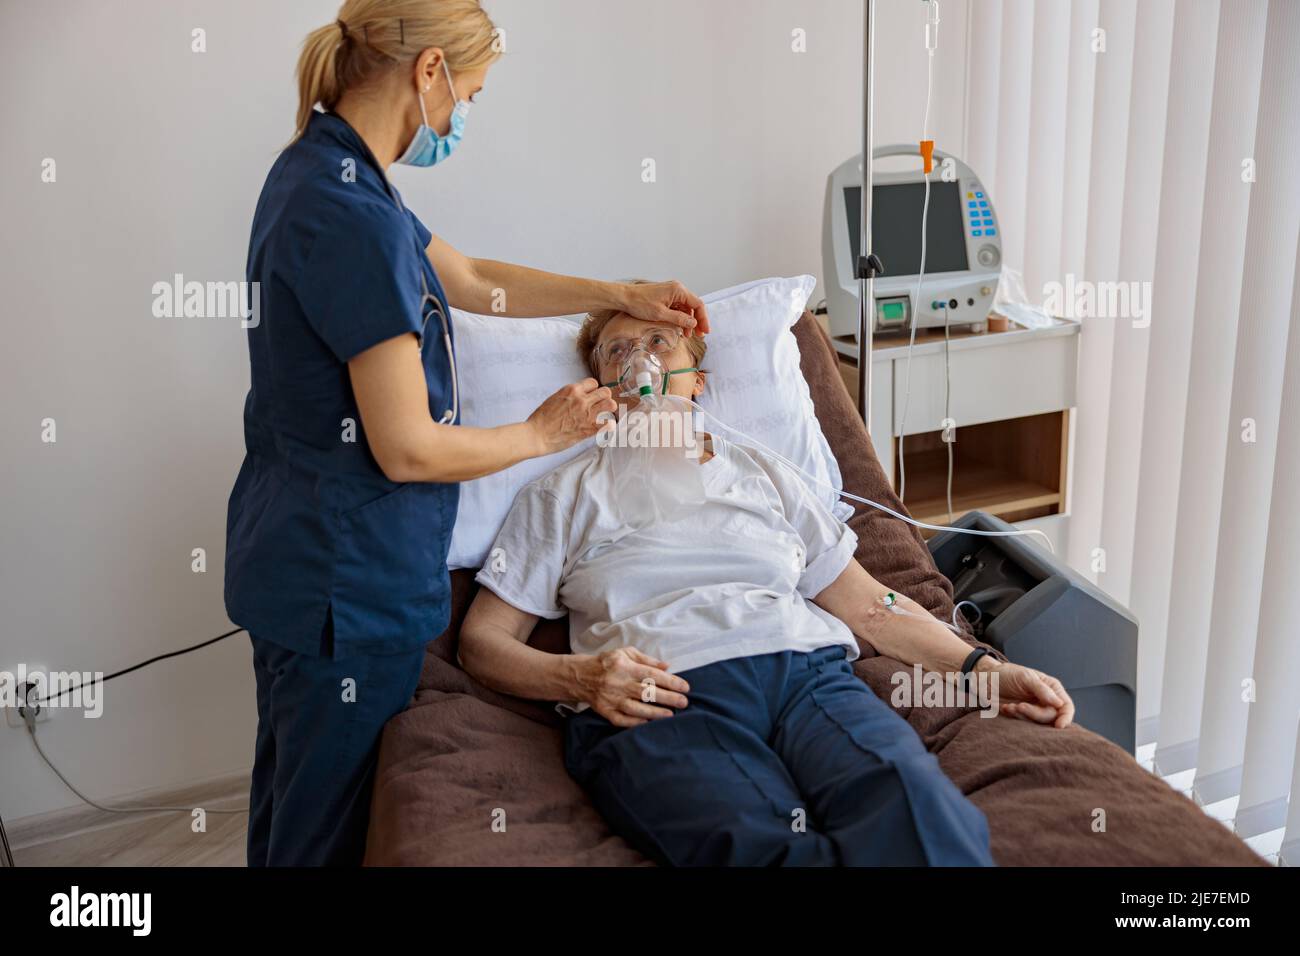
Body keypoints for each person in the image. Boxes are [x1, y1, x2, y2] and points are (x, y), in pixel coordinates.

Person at [225, 0, 709, 866]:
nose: (462, 118)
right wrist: (540, 433)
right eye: (470, 96)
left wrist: (620, 294)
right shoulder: (354, 219)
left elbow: (478, 279)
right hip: (345, 586)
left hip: (306, 562)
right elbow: (406, 447)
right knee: (318, 834)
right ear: (429, 72)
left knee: (292, 804)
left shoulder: (331, 175)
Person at [458, 306, 1076, 866]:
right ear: (601, 389)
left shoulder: (763, 472)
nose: (637, 361)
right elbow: (482, 642)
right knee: (752, 848)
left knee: (922, 820)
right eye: (616, 352)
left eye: (657, 342)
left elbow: (874, 606)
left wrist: (986, 669)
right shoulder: (561, 492)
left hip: (807, 677)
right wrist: (582, 679)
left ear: (696, 381)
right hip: (664, 693)